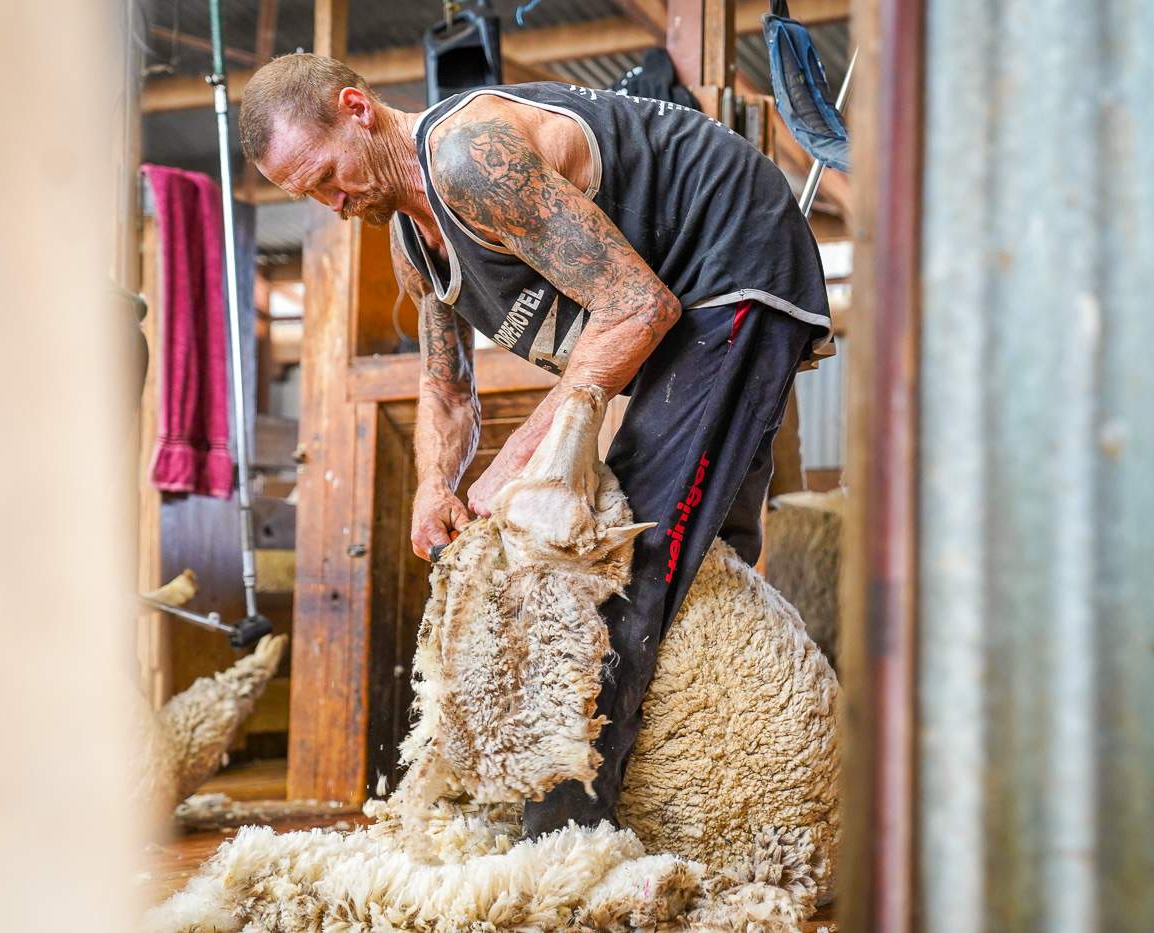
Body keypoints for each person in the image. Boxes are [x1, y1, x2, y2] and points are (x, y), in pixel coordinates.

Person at [239, 53, 831, 836]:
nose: (331, 202)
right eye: (306, 196)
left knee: (623, 551)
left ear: (357, 107)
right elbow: (446, 391)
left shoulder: (468, 158)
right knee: (701, 549)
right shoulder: (412, 245)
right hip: (670, 299)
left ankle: (560, 838)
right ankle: (709, 804)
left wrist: (519, 455)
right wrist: (433, 484)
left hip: (727, 256)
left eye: (324, 176)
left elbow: (634, 305)